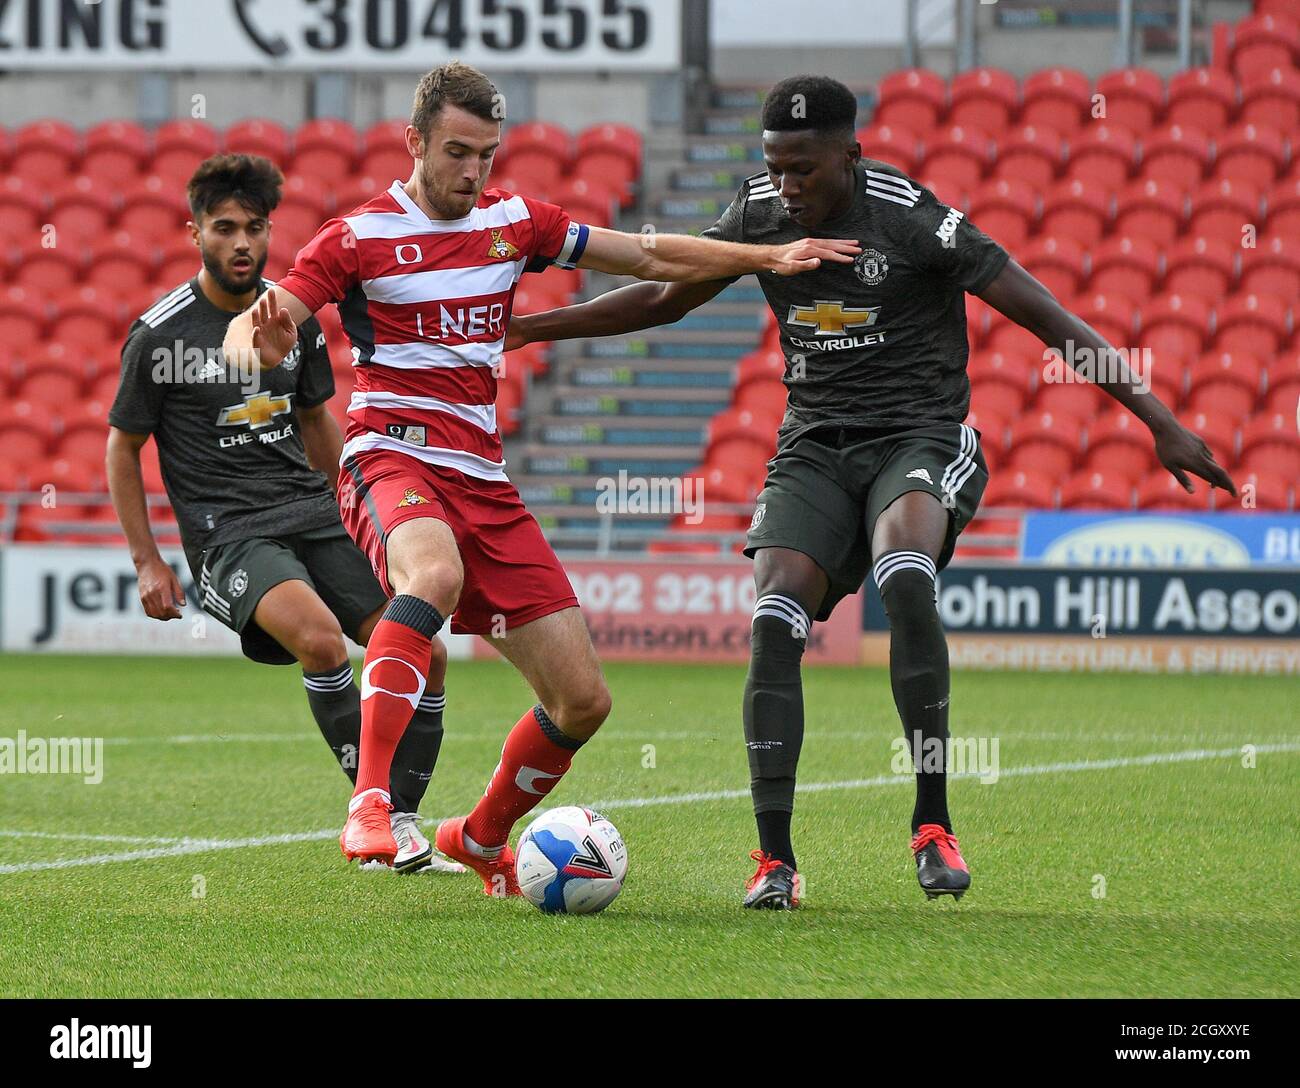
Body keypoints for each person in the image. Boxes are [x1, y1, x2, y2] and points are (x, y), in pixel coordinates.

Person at [505, 74, 1238, 909]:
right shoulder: (759, 212)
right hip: (816, 440)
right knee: (774, 611)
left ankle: (932, 824)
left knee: (903, 573)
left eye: (804, 169)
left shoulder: (912, 218)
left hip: (920, 435)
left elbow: (1044, 315)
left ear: (850, 155)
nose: (787, 186)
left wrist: (1157, 417)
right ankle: (774, 861)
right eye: (776, 167)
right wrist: (535, 326)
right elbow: (669, 296)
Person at [221, 61, 861, 895]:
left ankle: (481, 837)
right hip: (390, 452)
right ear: (413, 142)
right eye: (455, 150)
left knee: (583, 701)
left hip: (482, 478)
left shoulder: (514, 223)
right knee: (434, 577)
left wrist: (764, 257)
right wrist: (253, 348)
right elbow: (257, 328)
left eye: (485, 153)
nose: (471, 170)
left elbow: (644, 253)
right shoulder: (357, 237)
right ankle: (370, 803)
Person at [107, 153, 459, 874]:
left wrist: (358, 504)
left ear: (271, 232)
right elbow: (124, 446)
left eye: (255, 228)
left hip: (313, 509)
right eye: (224, 228)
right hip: (227, 534)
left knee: (430, 653)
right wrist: (148, 559)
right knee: (323, 642)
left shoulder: (290, 320)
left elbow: (317, 422)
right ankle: (376, 817)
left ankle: (406, 827)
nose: (242, 242)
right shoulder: (160, 335)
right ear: (194, 232)